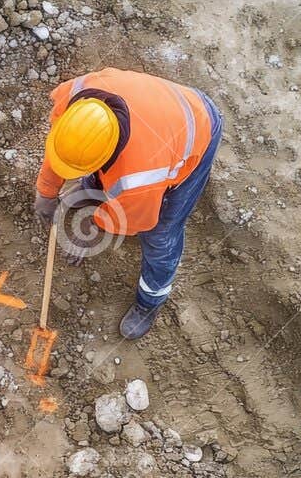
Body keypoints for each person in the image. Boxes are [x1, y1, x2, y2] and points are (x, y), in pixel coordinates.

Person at [33, 68, 224, 338]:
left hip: (198, 130)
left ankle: (150, 301)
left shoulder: (140, 177)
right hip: (164, 107)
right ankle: (93, 189)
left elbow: (136, 220)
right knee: (104, 180)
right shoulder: (75, 101)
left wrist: (92, 228)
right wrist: (46, 191)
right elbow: (62, 145)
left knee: (162, 234)